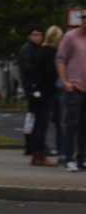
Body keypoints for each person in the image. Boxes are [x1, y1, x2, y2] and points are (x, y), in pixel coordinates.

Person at [55, 21, 86, 172]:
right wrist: (64, 81)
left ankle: (82, 159)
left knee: (84, 126)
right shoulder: (70, 37)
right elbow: (60, 59)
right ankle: (69, 159)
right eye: (84, 17)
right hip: (74, 86)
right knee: (72, 123)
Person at [30, 26, 60, 166]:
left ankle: (36, 154)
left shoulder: (40, 52)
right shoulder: (50, 53)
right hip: (46, 93)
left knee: (38, 124)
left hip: (38, 92)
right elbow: (50, 74)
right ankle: (40, 155)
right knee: (42, 124)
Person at [18, 26, 44, 156]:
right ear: (29, 36)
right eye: (35, 35)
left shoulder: (34, 49)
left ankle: (33, 144)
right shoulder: (28, 50)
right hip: (33, 87)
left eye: (40, 35)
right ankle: (31, 145)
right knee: (33, 115)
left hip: (33, 86)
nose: (38, 37)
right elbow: (28, 68)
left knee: (34, 115)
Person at [44, 26, 66, 164]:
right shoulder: (56, 53)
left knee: (60, 124)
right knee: (63, 124)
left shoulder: (44, 51)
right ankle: (64, 153)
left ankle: (62, 153)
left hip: (55, 91)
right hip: (60, 90)